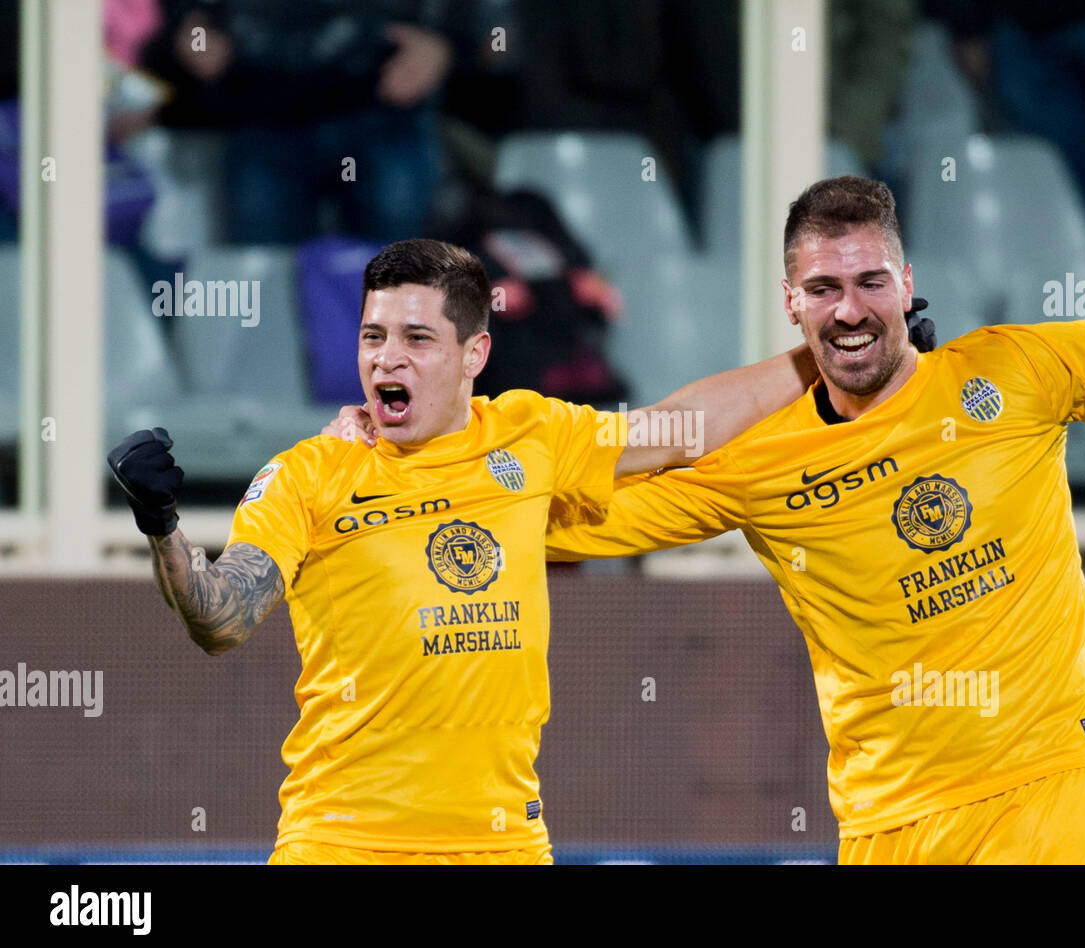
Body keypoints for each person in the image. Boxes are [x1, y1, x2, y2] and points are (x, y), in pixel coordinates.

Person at [543, 132, 1085, 863]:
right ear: (790, 303)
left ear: (908, 281)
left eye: (871, 282)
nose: (849, 309)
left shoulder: (1017, 371)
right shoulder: (757, 458)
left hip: (1043, 781)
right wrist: (443, 467)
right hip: (887, 818)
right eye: (823, 288)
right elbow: (557, 523)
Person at [107, 238, 817, 865]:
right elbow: (220, 617)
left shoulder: (528, 436)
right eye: (371, 335)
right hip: (345, 843)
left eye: (416, 338)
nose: (386, 357)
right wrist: (161, 521)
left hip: (502, 844)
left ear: (474, 352)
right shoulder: (311, 473)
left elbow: (679, 428)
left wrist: (821, 356)